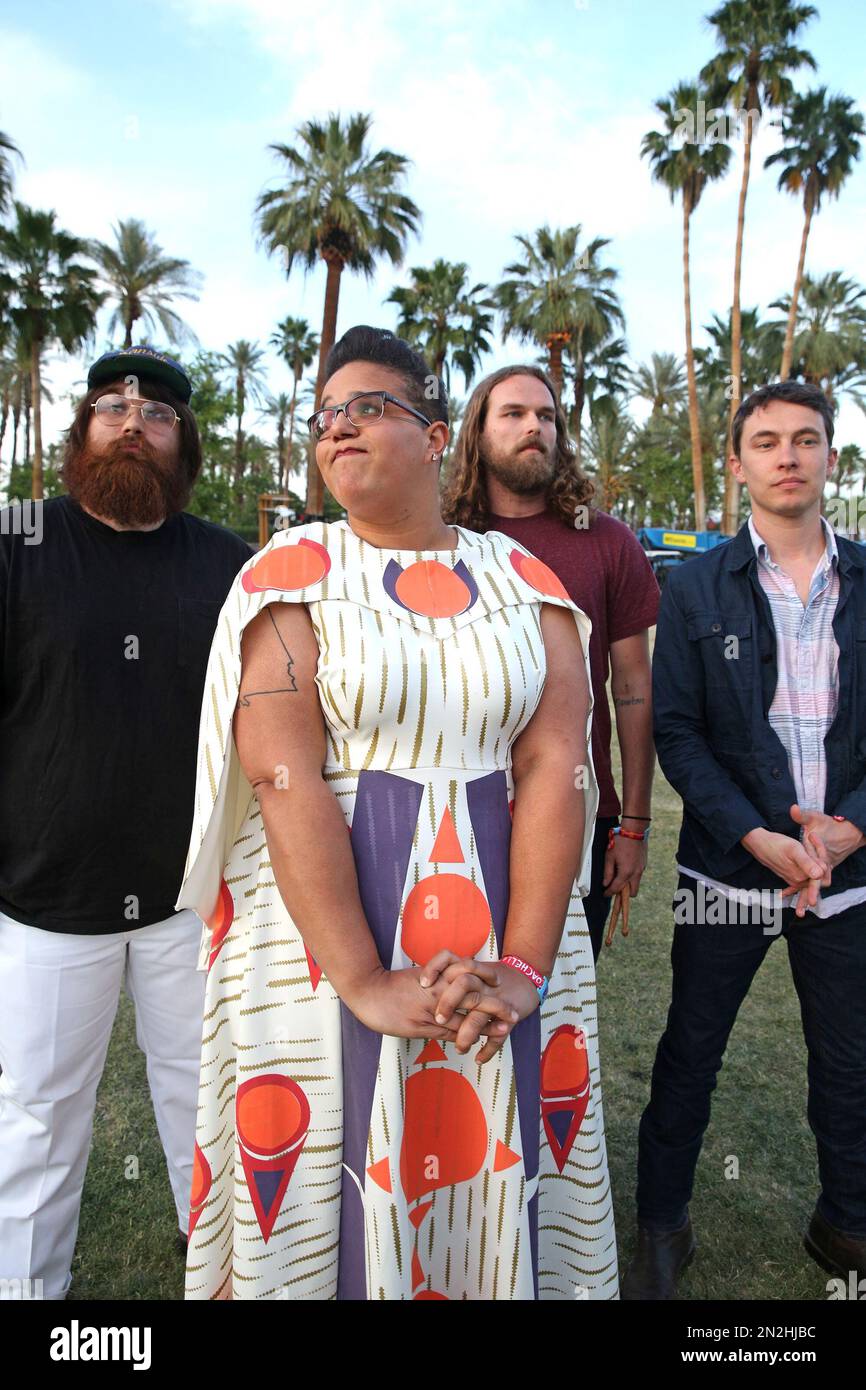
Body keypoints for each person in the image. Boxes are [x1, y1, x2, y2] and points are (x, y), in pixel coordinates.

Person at [176, 326, 618, 1300]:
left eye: (366, 407)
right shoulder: (290, 570)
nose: (337, 427)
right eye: (324, 414)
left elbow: (553, 763)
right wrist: (365, 978)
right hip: (318, 949)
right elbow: (280, 766)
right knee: (336, 1177)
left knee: (481, 1176)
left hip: (508, 920)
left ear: (431, 435)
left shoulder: (523, 583)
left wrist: (520, 968)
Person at [0, 345, 251, 1301]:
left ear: (182, 441)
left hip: (192, 898)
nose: (132, 425)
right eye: (111, 407)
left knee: (203, 1108)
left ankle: (223, 1277)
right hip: (44, 899)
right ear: (82, 430)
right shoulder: (16, 541)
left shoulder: (231, 562)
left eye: (155, 415)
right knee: (38, 1117)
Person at [622, 380, 866, 1299]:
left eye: (806, 439)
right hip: (729, 873)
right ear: (738, 464)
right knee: (692, 1050)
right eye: (767, 442)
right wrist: (762, 838)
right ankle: (662, 1226)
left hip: (849, 875)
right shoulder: (694, 588)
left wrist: (847, 830)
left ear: (831, 457)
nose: (788, 455)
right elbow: (676, 729)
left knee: (849, 1062)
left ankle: (846, 1227)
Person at [442, 366, 659, 961]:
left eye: (547, 416)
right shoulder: (441, 539)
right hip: (455, 808)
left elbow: (634, 692)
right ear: (476, 433)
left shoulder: (607, 542)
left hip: (577, 810)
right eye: (513, 413)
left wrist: (633, 824)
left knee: (555, 1005)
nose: (533, 426)